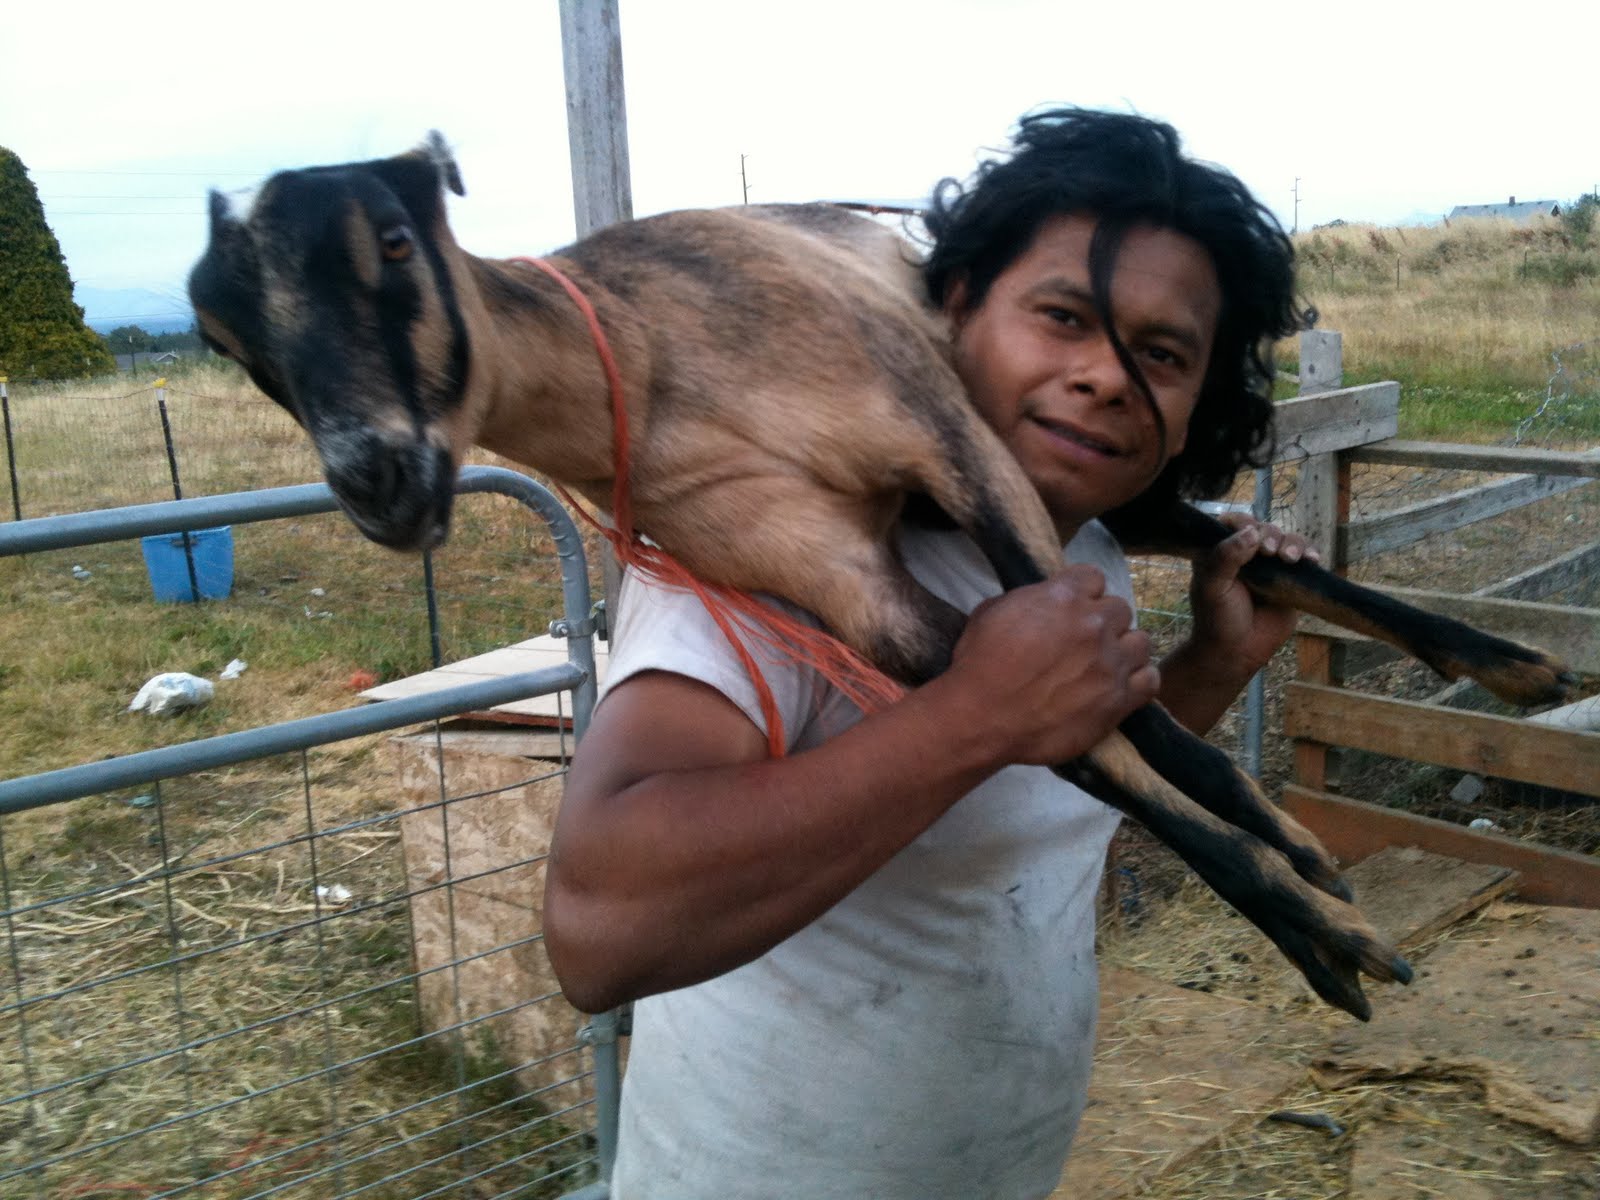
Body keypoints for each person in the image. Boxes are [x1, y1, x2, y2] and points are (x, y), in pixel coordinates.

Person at [544, 107, 1316, 1199]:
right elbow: (596, 932)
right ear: (953, 313)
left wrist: (1211, 665)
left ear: (1196, 405)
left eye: (1160, 353)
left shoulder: (1074, 542)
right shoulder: (791, 555)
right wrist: (972, 716)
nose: (1103, 376)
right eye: (1060, 316)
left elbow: (1048, 786)